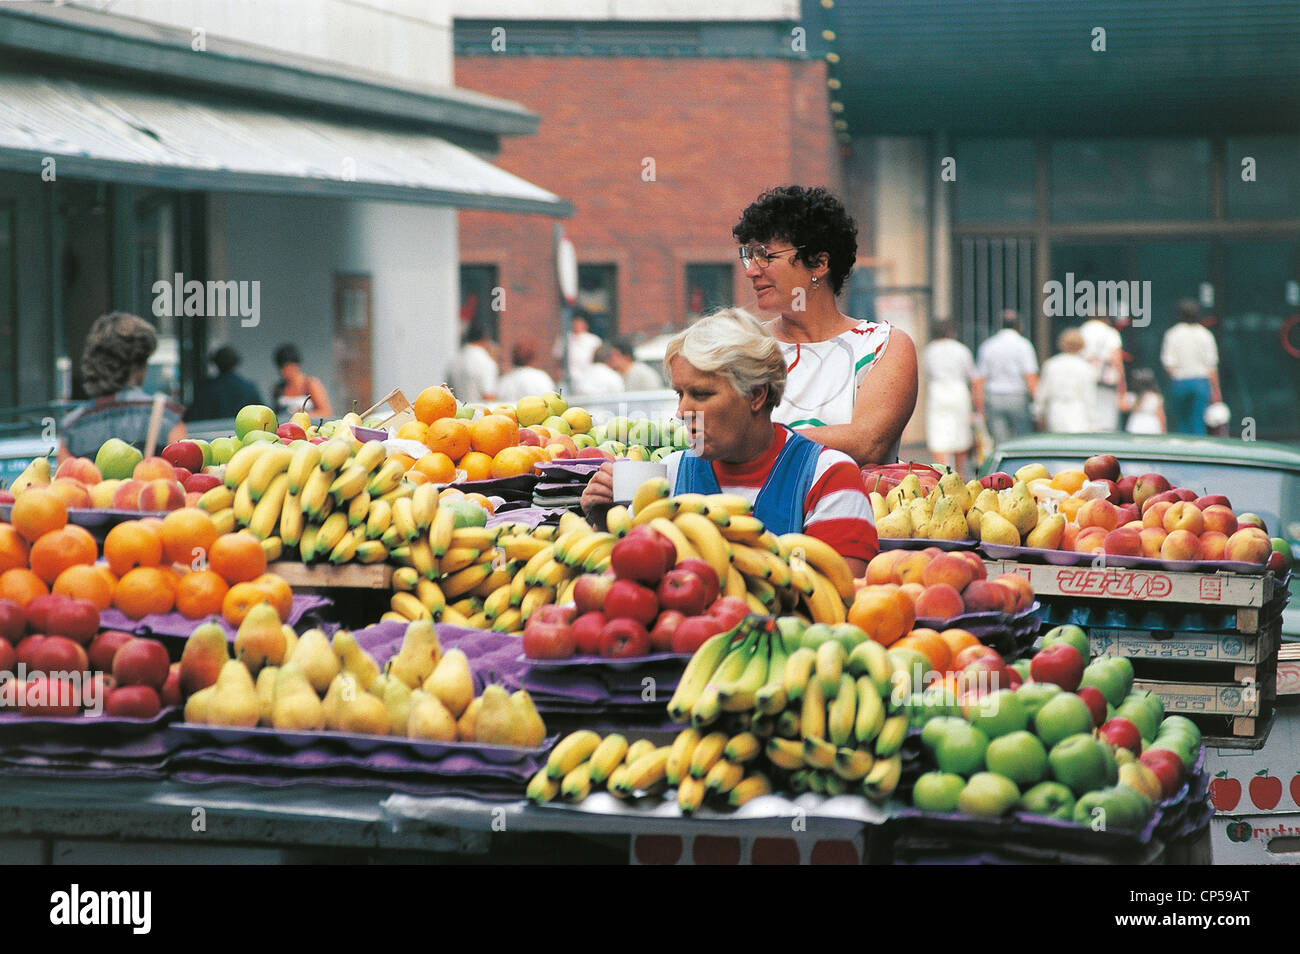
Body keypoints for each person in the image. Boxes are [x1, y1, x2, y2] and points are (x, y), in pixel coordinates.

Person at [580, 308, 877, 575]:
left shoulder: (828, 477)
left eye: (701, 394)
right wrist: (607, 523)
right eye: (679, 394)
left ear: (756, 395)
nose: (682, 412)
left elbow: (837, 599)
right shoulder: (666, 475)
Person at [732, 185, 918, 467]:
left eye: (765, 255)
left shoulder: (881, 346)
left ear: (819, 263)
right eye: (749, 254)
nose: (751, 270)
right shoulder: (743, 347)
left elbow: (867, 444)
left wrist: (755, 442)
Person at [59, 312, 186, 461]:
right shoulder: (167, 417)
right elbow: (182, 474)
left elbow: (66, 482)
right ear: (139, 363)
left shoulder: (71, 427)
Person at [921, 321, 984, 475]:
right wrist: (979, 408)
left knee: (938, 435)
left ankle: (941, 472)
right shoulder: (961, 349)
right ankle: (959, 473)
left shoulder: (929, 351)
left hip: (937, 393)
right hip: (959, 392)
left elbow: (926, 375)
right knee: (960, 433)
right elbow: (975, 379)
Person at [976, 309, 1039, 445]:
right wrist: (1038, 403)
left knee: (1000, 442)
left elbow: (980, 379)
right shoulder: (1023, 345)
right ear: (1019, 326)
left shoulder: (988, 346)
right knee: (1022, 440)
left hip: (994, 398)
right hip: (1017, 397)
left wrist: (980, 408)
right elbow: (1030, 376)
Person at [1161, 299, 1222, 436]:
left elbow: (1169, 363)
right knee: (1198, 422)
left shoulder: (1173, 334)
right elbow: (1211, 366)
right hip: (1200, 382)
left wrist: (1175, 381)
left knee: (1181, 422)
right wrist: (1216, 390)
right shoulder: (1205, 334)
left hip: (1180, 381)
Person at [1034, 328, 1097, 434]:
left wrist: (1038, 414)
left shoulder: (1051, 364)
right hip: (1078, 412)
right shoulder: (1086, 368)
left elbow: (1042, 393)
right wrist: (1094, 423)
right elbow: (1089, 397)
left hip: (1055, 411)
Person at [185, 345, 262, 421]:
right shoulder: (249, 387)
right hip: (242, 431)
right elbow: (261, 415)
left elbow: (192, 417)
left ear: (216, 363)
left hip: (210, 432)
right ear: (236, 362)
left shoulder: (206, 389)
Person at [1080, 312, 1127, 431]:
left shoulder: (1081, 331)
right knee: (1106, 422)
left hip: (1082, 381)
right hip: (1105, 383)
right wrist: (1122, 388)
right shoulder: (1110, 333)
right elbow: (1116, 360)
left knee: (1086, 419)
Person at [272, 344, 332, 419]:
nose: (288, 372)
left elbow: (326, 412)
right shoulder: (279, 388)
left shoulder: (310, 384)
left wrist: (302, 414)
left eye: (290, 368)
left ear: (297, 365)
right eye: (284, 369)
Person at [446, 324, 499, 405]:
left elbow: (447, 391)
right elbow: (489, 396)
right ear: (486, 337)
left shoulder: (455, 360)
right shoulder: (486, 361)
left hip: (457, 412)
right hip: (479, 412)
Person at [553, 312, 603, 382]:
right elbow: (558, 359)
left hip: (588, 378)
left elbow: (599, 360)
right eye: (575, 322)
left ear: (586, 324)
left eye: (580, 322)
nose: (576, 325)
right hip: (568, 378)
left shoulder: (594, 340)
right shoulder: (564, 339)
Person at [1123, 368, 1166, 435]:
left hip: (1136, 424)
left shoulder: (1132, 397)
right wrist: (1163, 429)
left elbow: (1122, 406)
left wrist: (1121, 385)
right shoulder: (1154, 397)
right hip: (1151, 425)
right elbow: (1160, 415)